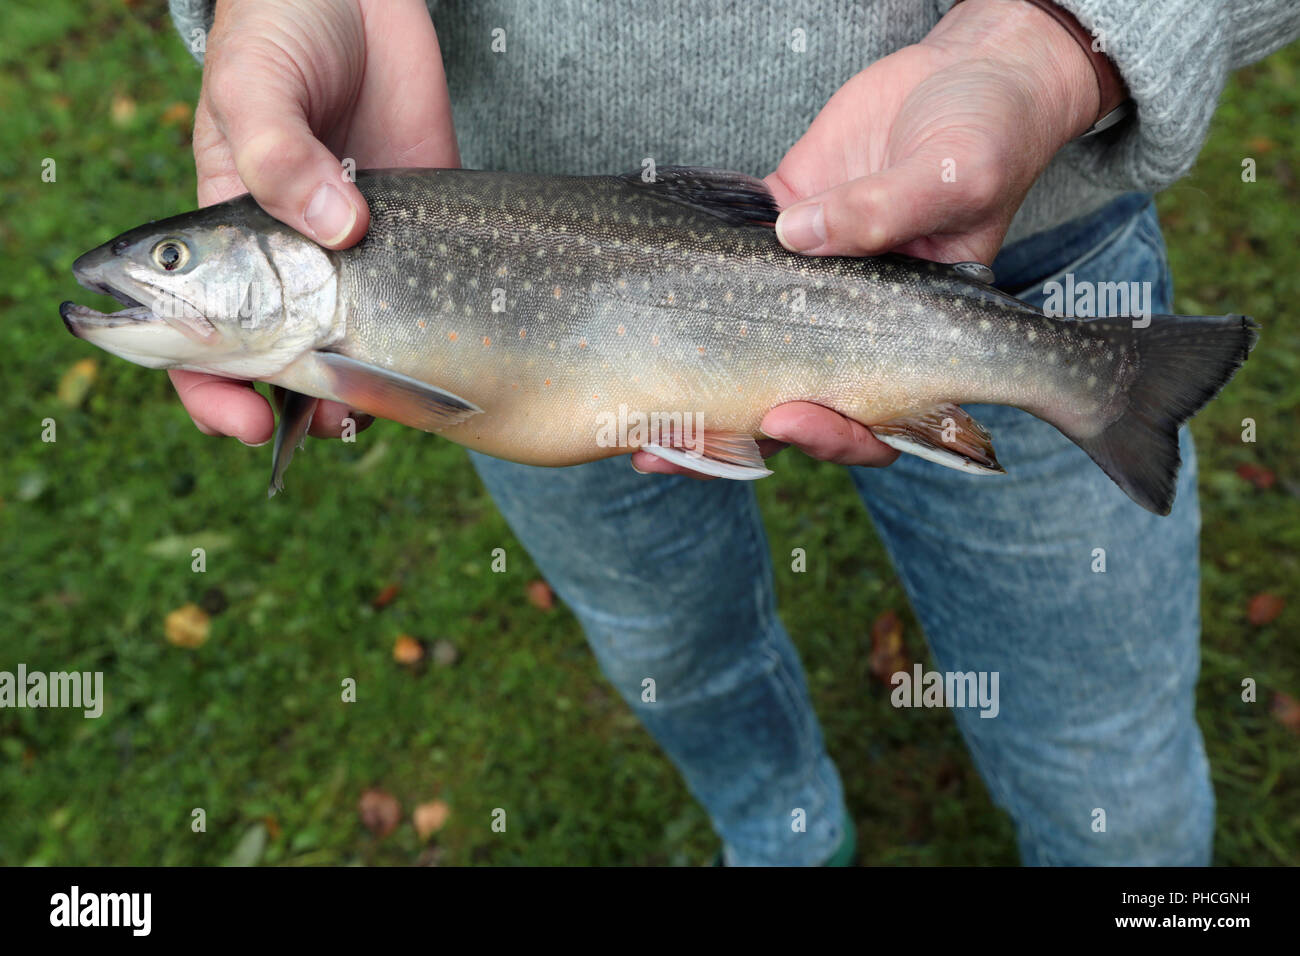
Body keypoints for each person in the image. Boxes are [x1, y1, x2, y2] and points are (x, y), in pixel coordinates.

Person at [165, 0, 1299, 865]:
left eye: (171, 261)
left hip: (1014, 222)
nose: (153, 284)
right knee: (675, 655)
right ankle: (786, 838)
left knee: (1107, 760)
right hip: (486, 247)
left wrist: (1055, 45)